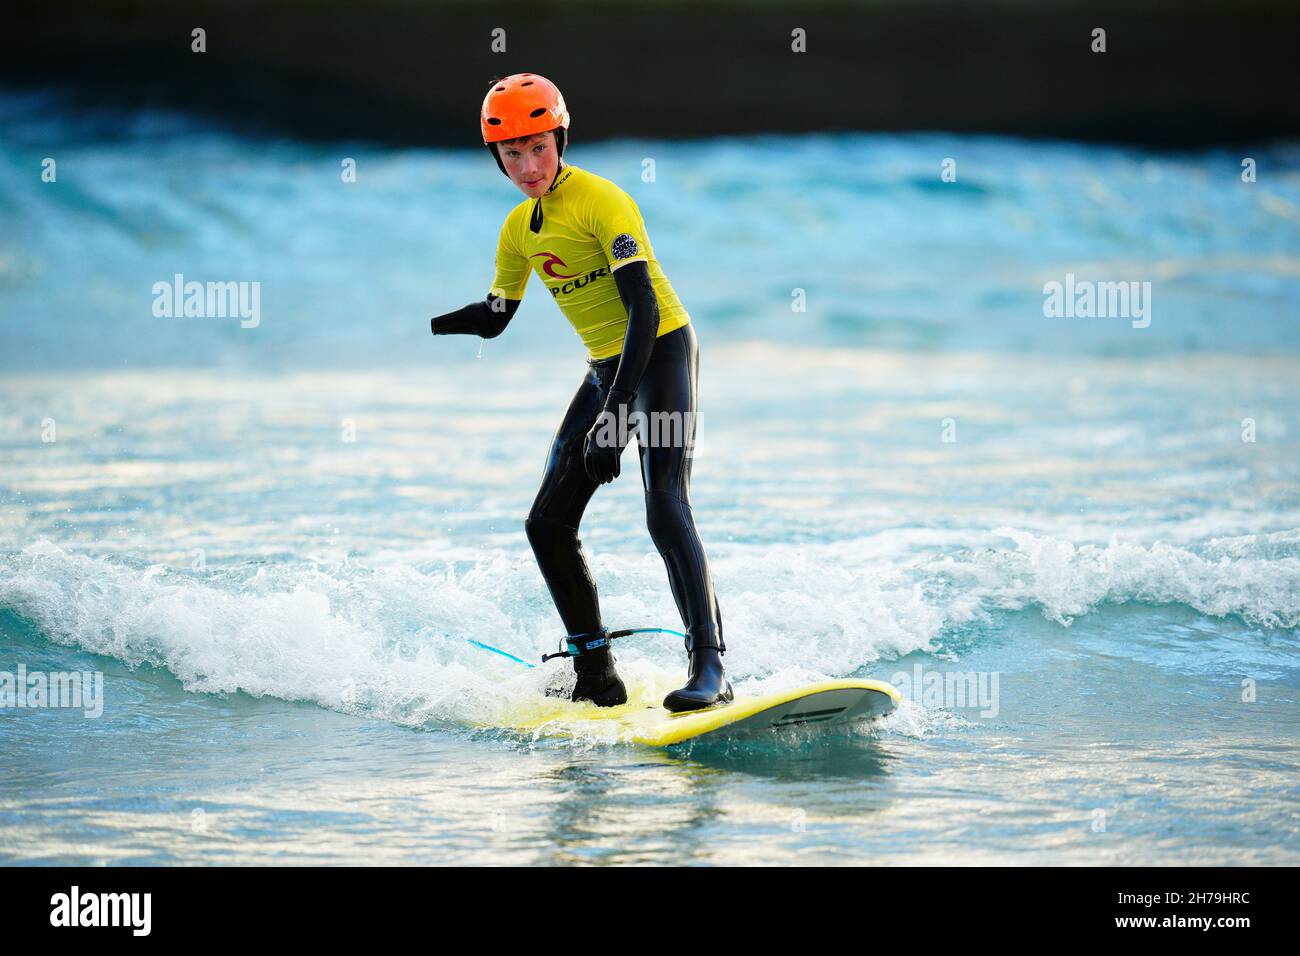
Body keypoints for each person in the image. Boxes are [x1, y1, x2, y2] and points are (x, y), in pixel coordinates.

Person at [430, 73, 729, 713]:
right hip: (605, 369)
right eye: (512, 154)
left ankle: (710, 667)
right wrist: (430, 323)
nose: (528, 167)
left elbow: (644, 308)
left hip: (660, 353)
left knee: (664, 502)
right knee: (546, 523)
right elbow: (496, 315)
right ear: (496, 157)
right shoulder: (519, 228)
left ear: (559, 140)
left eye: (538, 148)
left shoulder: (602, 201)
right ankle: (595, 673)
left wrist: (614, 418)